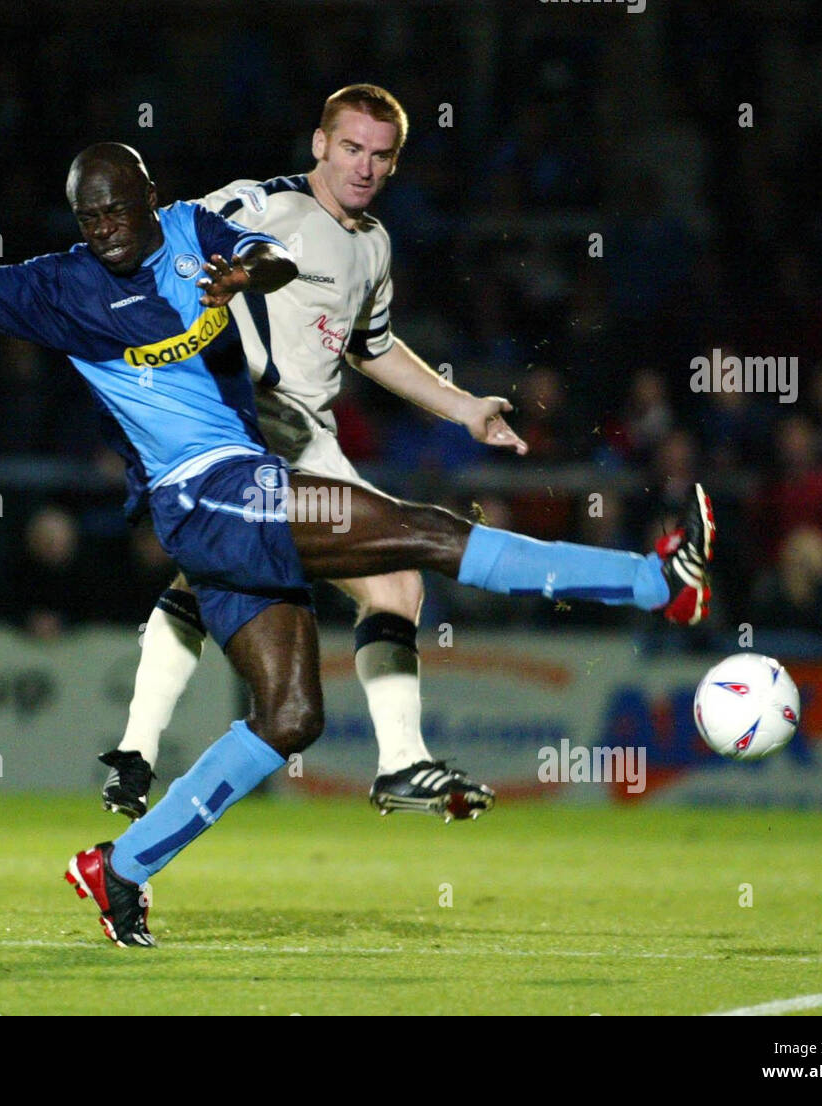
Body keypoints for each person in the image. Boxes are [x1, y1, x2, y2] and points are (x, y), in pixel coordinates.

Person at [0, 143, 714, 948]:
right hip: (207, 497)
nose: (104, 229)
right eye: (88, 217)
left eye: (116, 210)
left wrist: (249, 273)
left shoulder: (193, 231)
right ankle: (655, 582)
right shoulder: (59, 287)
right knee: (423, 533)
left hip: (236, 498)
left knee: (290, 716)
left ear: (149, 197)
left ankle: (119, 868)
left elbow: (269, 261)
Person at [103, 85, 525, 826]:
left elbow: (373, 347)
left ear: (394, 163)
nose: (364, 166)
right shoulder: (259, 206)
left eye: (380, 155)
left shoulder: (374, 244)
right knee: (344, 575)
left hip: (307, 438)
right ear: (320, 144)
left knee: (378, 585)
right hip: (238, 424)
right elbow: (159, 241)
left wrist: (463, 408)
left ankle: (142, 755)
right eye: (351, 148)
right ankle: (143, 752)